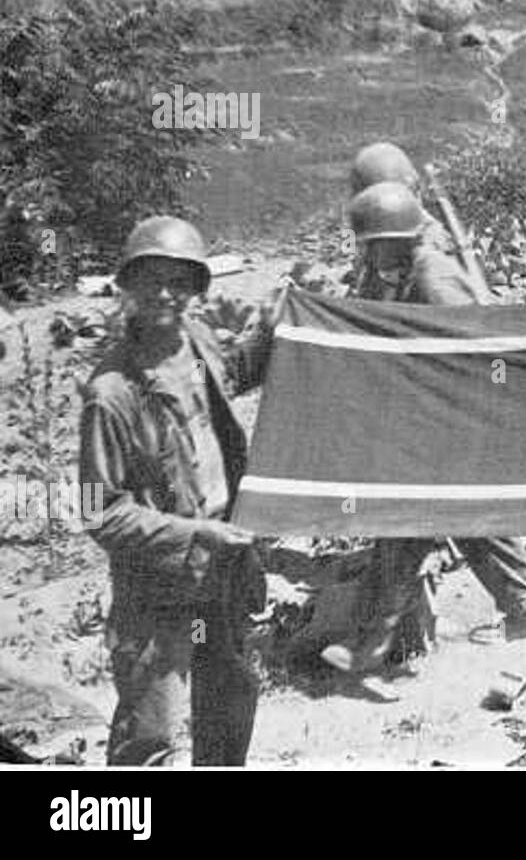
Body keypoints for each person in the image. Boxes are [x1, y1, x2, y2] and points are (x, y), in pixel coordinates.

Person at [320, 156, 526, 676]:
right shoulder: (398, 262)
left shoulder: (433, 272)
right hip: (432, 421)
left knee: (416, 520)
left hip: (454, 418)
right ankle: (525, 613)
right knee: (459, 519)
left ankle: (373, 641)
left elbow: (473, 346)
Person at [80, 216, 280, 765]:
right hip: (159, 587)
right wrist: (195, 534)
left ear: (197, 288)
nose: (166, 294)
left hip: (223, 568)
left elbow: (232, 375)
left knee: (230, 699)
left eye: (180, 281)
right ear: (127, 288)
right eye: (151, 280)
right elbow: (101, 513)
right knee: (151, 728)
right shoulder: (113, 393)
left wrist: (276, 328)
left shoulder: (195, 344)